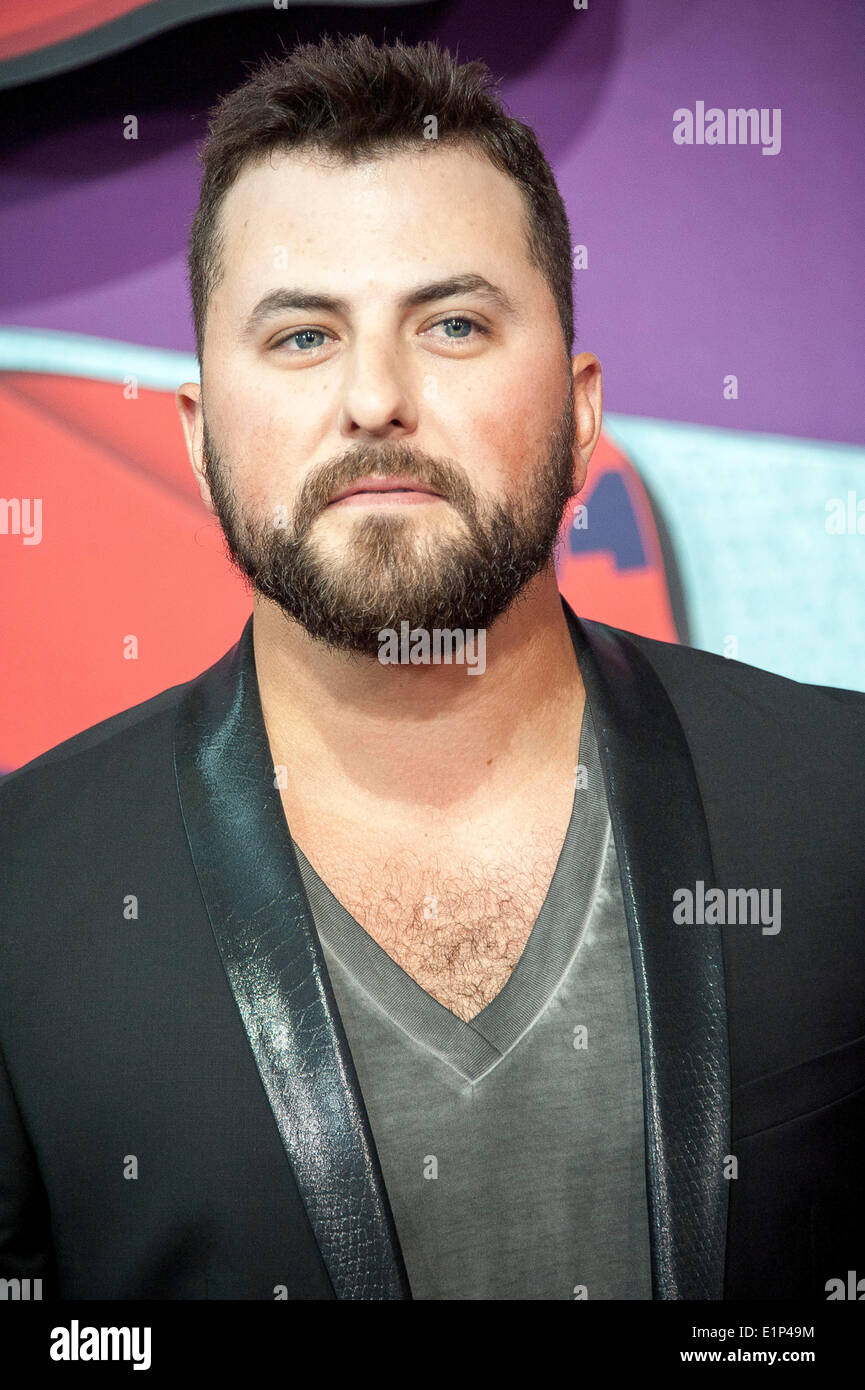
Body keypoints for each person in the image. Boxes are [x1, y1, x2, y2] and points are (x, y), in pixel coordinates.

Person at [1, 33, 863, 1303]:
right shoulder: (22, 892)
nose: (375, 398)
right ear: (196, 442)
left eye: (453, 323)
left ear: (580, 417)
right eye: (300, 337)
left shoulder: (841, 799)